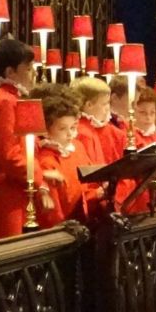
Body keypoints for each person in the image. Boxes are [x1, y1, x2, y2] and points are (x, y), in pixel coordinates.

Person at [0, 39, 36, 241]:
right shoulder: (6, 101)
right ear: (10, 72)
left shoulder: (11, 98)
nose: (33, 74)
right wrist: (37, 176)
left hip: (11, 187)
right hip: (4, 192)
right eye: (28, 69)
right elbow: (7, 153)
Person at [32, 86, 95, 229]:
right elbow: (52, 212)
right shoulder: (47, 159)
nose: (70, 134)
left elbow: (88, 182)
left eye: (73, 128)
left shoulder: (77, 147)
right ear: (46, 131)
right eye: (62, 129)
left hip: (84, 219)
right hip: (65, 225)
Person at [70, 76, 123, 166]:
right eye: (104, 103)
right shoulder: (83, 133)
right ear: (89, 105)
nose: (108, 108)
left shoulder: (96, 128)